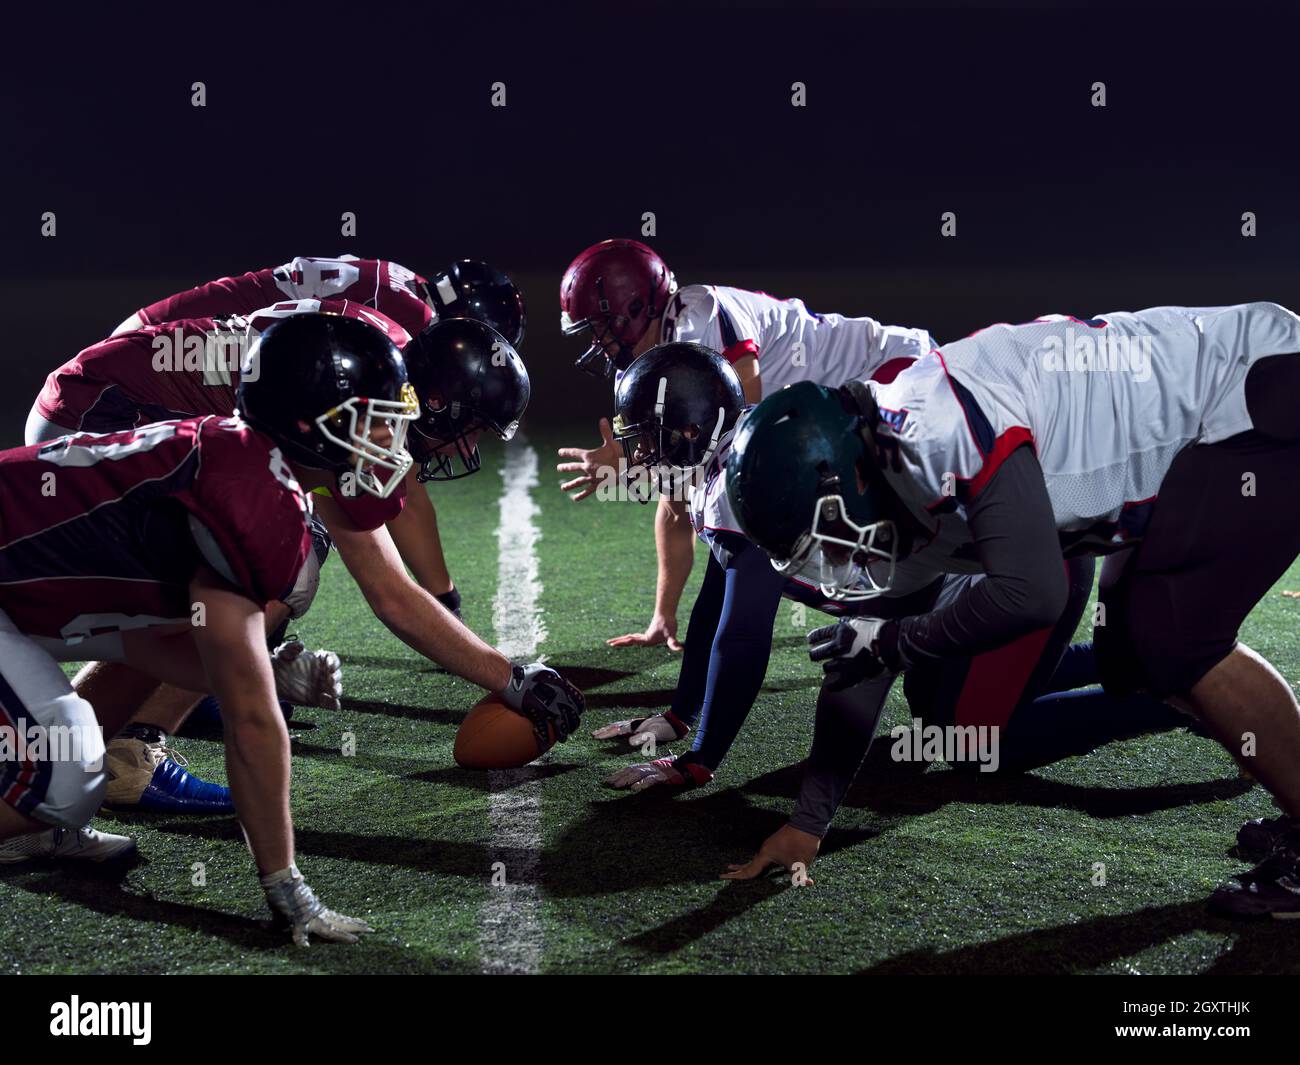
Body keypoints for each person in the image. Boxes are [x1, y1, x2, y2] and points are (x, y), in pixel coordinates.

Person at [724, 305, 1300, 917]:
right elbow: (861, 665)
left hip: (1253, 393)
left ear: (847, 480)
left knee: (1175, 641)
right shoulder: (883, 472)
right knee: (1129, 657)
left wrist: (895, 641)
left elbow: (1033, 594)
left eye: (829, 533)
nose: (835, 557)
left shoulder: (939, 431)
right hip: (1194, 439)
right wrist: (808, 823)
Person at [555, 238, 932, 650]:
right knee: (736, 508)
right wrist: (663, 615)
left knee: (887, 513)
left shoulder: (700, 315)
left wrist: (629, 458)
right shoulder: (646, 372)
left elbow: (740, 429)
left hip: (892, 372)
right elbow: (675, 501)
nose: (595, 342)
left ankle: (914, 607)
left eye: (597, 326)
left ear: (633, 309)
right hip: (826, 409)